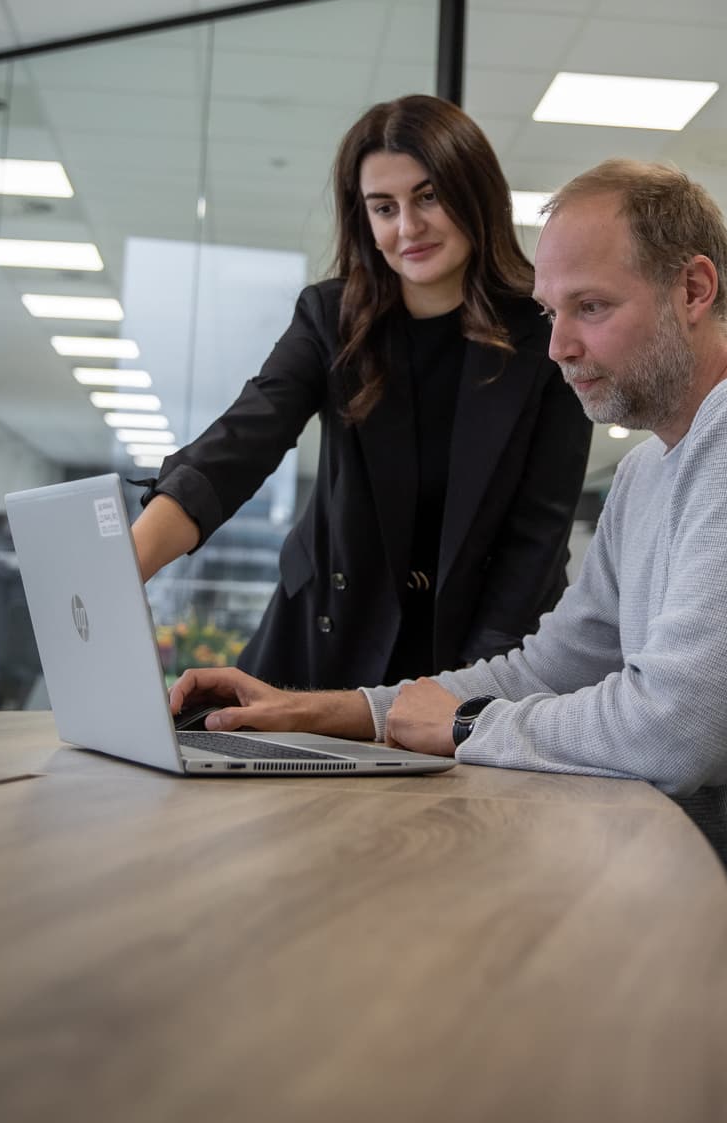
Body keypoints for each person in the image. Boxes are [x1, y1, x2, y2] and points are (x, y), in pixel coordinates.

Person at [167, 158, 727, 1096]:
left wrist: (461, 727)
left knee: (498, 982)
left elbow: (683, 730)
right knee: (456, 933)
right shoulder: (650, 472)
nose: (557, 343)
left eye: (591, 309)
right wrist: (326, 712)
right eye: (553, 310)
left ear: (694, 288)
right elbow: (553, 667)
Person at [132, 95, 591, 690]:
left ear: (475, 193)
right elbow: (240, 443)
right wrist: (126, 566)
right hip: (323, 632)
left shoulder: (545, 331)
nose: (409, 227)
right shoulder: (331, 317)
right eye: (384, 207)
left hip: (474, 641)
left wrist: (471, 695)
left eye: (429, 196)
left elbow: (537, 537)